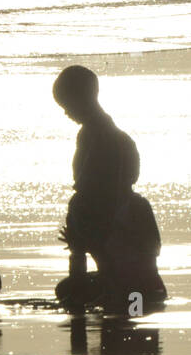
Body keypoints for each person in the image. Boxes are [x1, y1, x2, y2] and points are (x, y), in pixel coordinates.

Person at [52, 66, 166, 312]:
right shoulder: (137, 206)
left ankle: (127, 310)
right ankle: (126, 308)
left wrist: (80, 243)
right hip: (143, 285)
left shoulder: (94, 206)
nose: (66, 113)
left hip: (132, 289)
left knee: (79, 294)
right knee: (69, 290)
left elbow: (99, 259)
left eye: (67, 106)